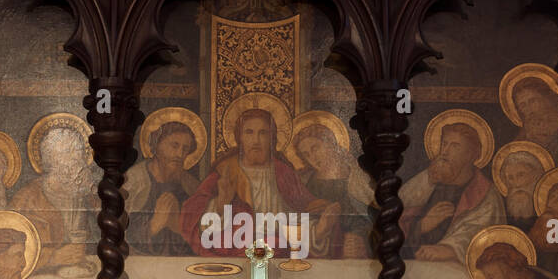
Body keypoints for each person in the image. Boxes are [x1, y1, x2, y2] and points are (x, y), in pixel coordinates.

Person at [179, 107, 337, 256]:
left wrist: (319, 229)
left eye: (263, 133)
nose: (256, 140)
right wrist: (221, 204)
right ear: (239, 137)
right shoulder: (225, 171)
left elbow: (300, 213)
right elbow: (192, 220)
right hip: (234, 253)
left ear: (271, 138)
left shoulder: (283, 173)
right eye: (249, 132)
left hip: (278, 251)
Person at [400, 122, 504, 262]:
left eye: (455, 146)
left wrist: (451, 249)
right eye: (444, 144)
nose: (445, 151)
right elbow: (394, 218)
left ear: (471, 155)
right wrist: (421, 226)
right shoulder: (426, 181)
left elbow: (484, 234)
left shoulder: (485, 194)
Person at [11, 126, 98, 270]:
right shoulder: (26, 198)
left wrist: (94, 193)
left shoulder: (83, 194)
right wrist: (52, 258)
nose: (75, 164)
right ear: (50, 159)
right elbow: (6, 249)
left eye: (78, 157)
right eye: (67, 155)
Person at [291, 122, 373, 258]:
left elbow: (369, 214)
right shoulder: (304, 182)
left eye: (315, 148)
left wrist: (359, 237)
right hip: (320, 251)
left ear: (330, 144)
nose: (313, 157)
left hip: (355, 247)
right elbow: (296, 220)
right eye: (306, 154)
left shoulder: (356, 176)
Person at [124, 120, 200, 255]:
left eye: (185, 149)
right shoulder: (133, 181)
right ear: (157, 145)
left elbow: (201, 237)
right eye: (174, 146)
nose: (180, 154)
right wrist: (155, 224)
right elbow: (119, 231)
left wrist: (177, 226)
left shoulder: (191, 186)